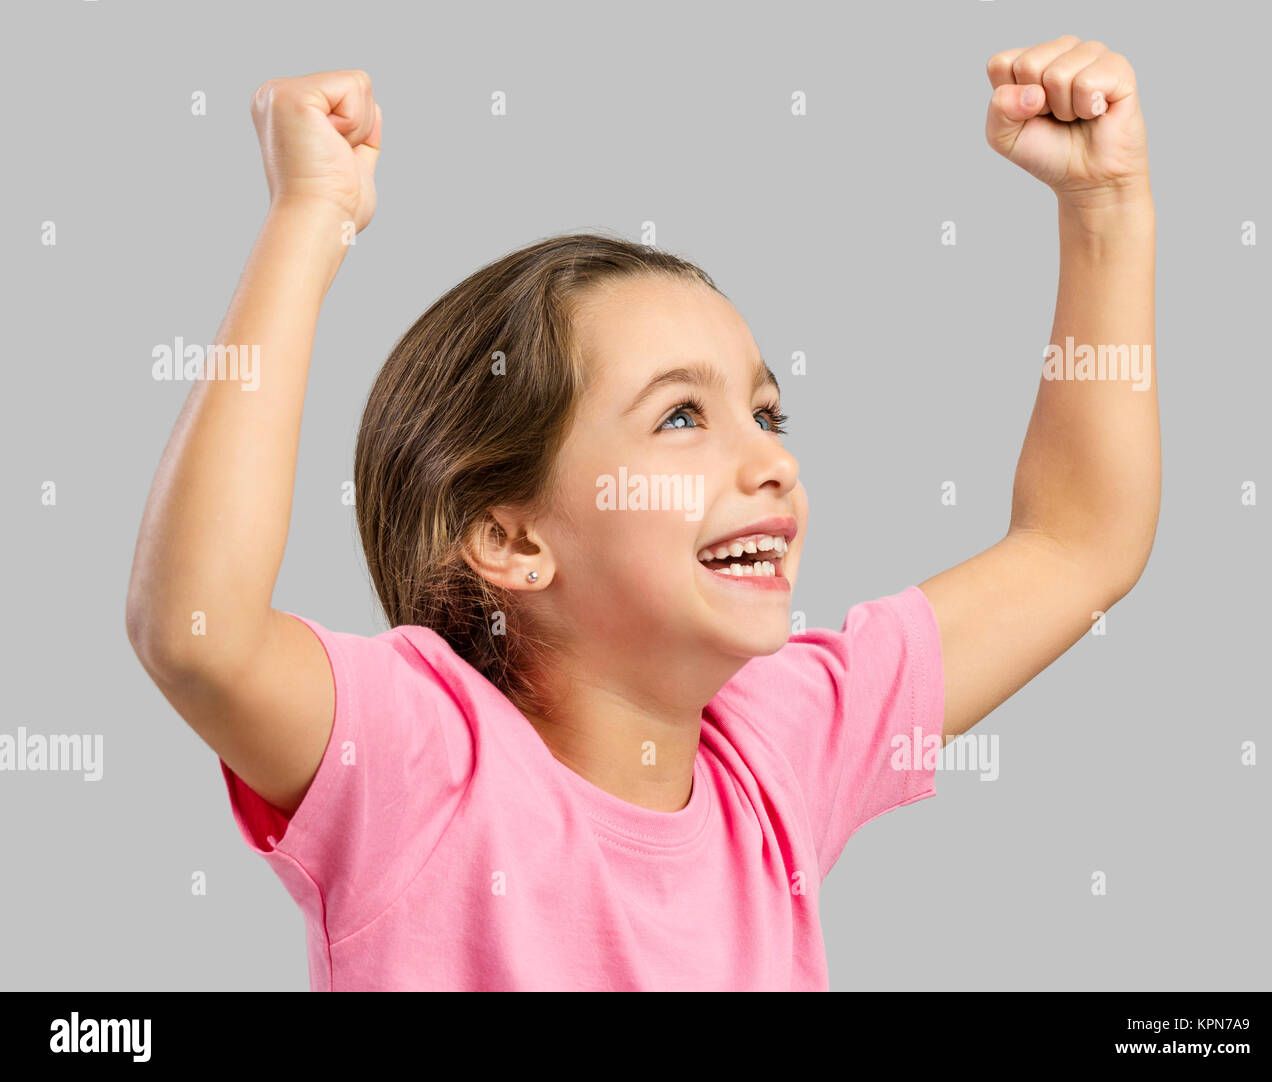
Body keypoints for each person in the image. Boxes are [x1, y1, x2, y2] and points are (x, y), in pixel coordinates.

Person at [125, 37, 1159, 990]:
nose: (772, 458)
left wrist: (1105, 208)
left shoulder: (775, 749)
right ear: (512, 538)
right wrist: (309, 220)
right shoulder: (421, 761)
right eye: (680, 415)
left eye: (764, 410)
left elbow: (1078, 542)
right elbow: (197, 633)